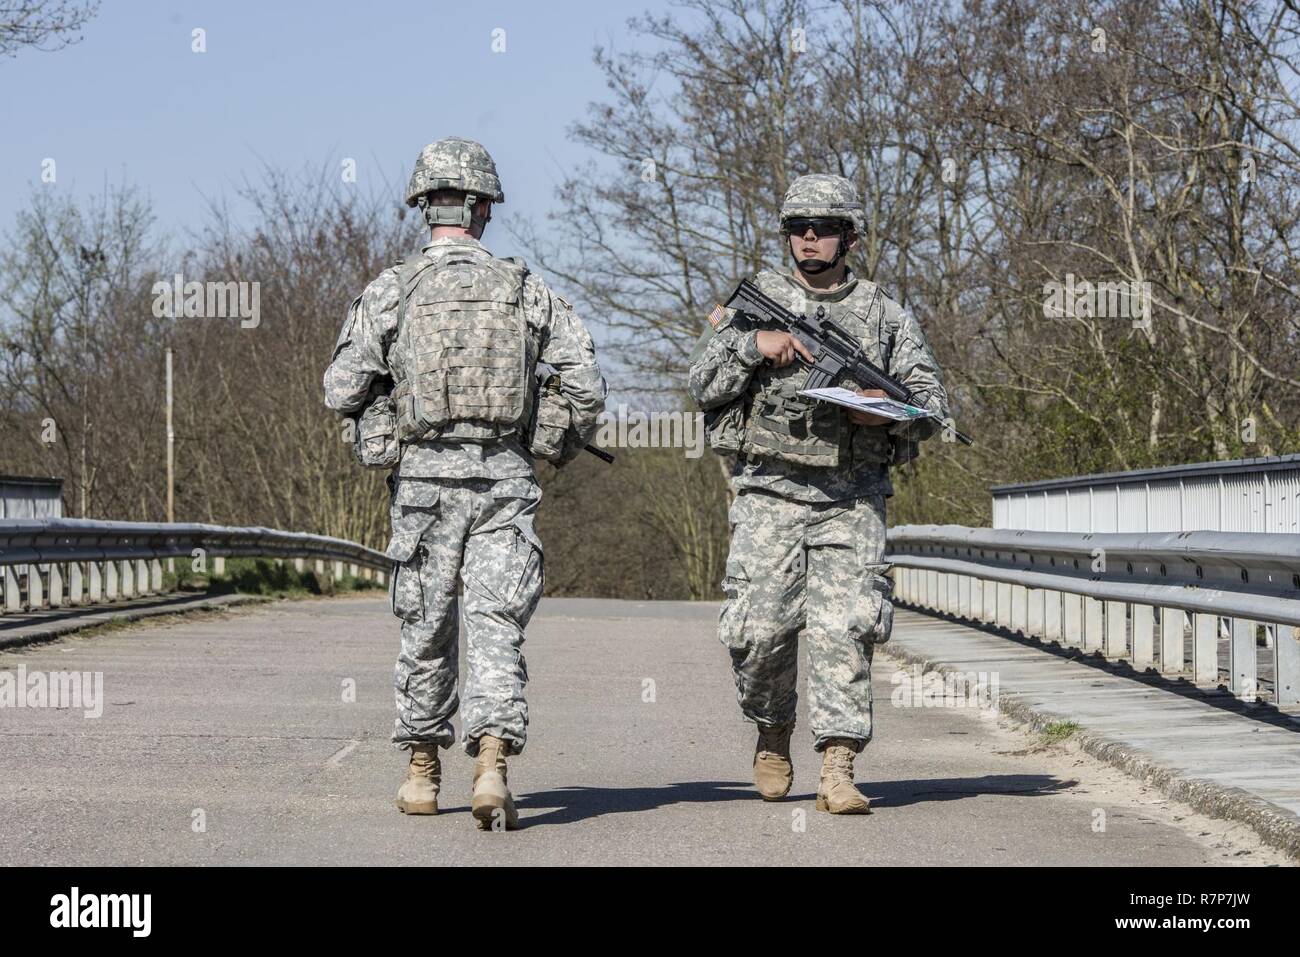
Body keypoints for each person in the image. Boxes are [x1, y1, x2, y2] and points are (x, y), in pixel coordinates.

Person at [323, 137, 606, 830]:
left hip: (423, 484)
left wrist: (384, 418)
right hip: (505, 480)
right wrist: (544, 435)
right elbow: (588, 388)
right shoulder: (525, 288)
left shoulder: (392, 288)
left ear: (424, 208)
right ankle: (491, 764)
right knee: (495, 623)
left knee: (424, 624)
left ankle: (422, 769)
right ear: (484, 211)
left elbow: (341, 389)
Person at [687, 174, 950, 813]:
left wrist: (882, 412)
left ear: (849, 237)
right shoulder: (755, 302)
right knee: (758, 629)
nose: (809, 238)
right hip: (769, 492)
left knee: (848, 626)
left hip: (851, 495)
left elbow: (934, 405)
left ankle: (838, 764)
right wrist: (754, 346)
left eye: (824, 228)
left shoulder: (885, 312)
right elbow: (701, 382)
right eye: (797, 229)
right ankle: (772, 729)